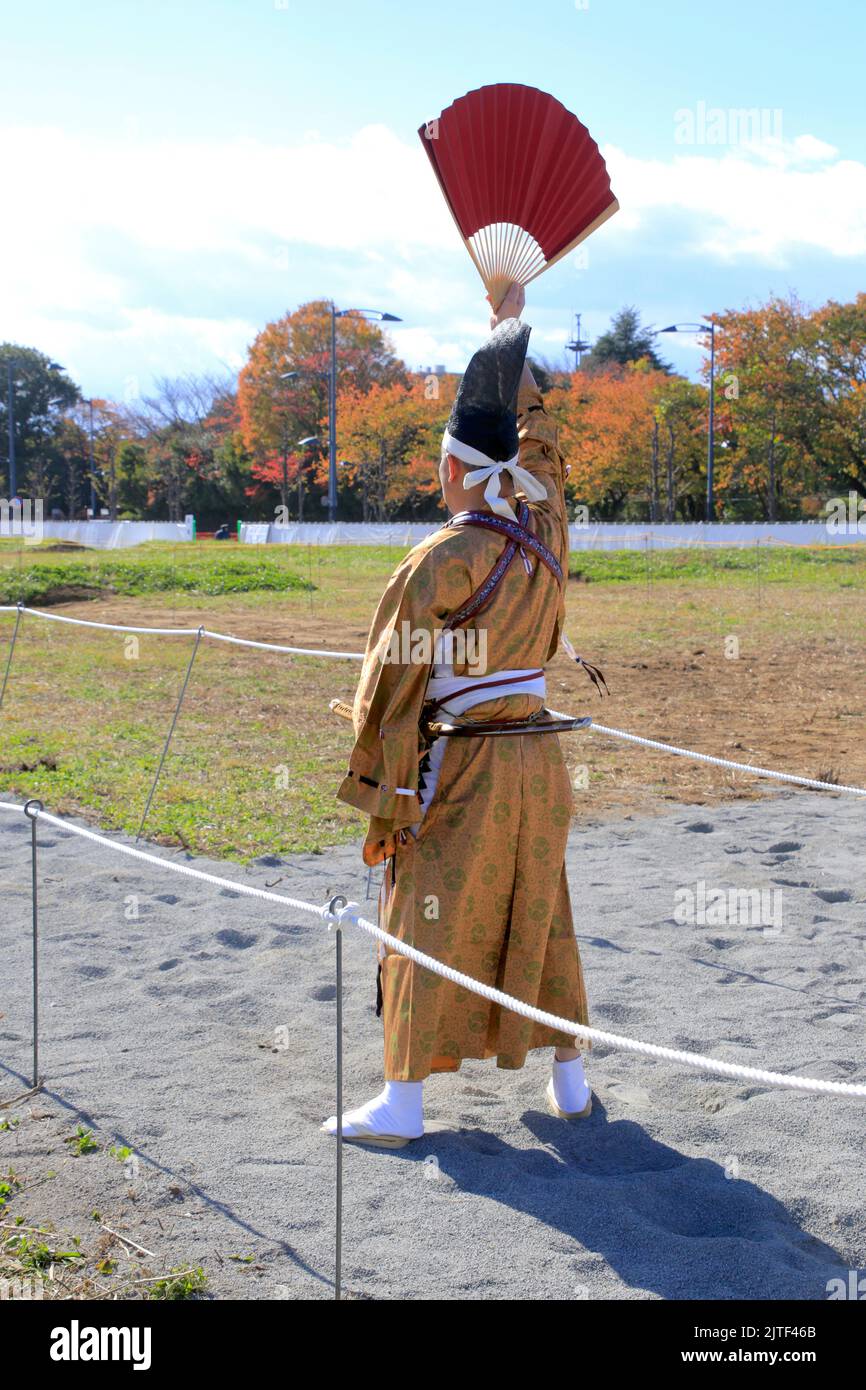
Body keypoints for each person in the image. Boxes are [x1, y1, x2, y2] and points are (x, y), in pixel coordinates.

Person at [323, 282, 595, 1147]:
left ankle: (403, 1105)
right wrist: (508, 335)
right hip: (539, 757)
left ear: (450, 471)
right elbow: (544, 453)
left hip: (465, 764)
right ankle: (574, 1084)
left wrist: (384, 794)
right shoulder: (546, 530)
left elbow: (389, 691)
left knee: (420, 913)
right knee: (541, 905)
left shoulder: (439, 558)